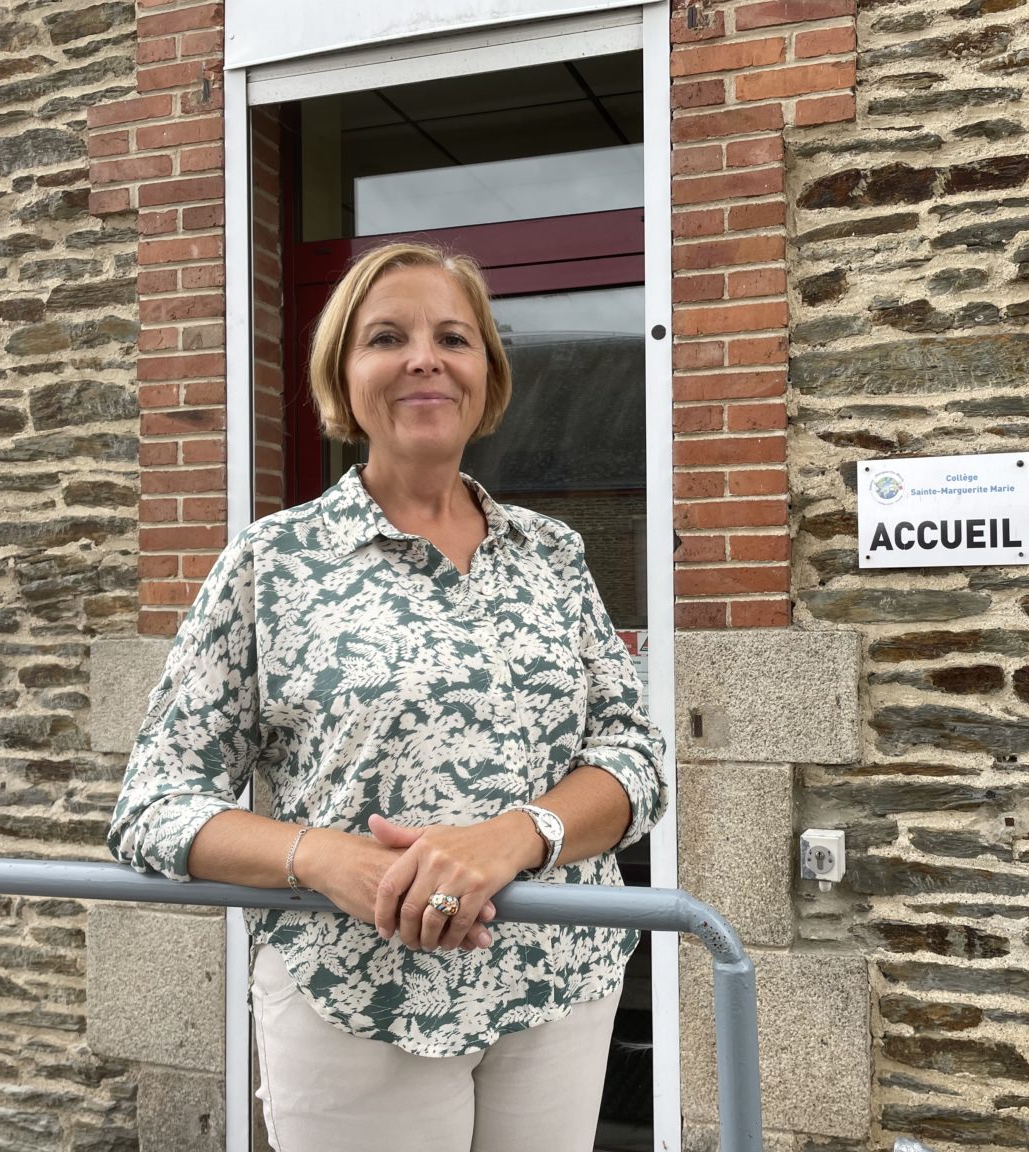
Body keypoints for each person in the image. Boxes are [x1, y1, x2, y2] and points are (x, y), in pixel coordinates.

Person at [107, 240, 667, 1152]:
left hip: (557, 976)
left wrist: (511, 837)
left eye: (454, 337)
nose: (424, 358)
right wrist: (326, 860)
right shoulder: (271, 563)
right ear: (344, 375)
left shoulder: (553, 555)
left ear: (486, 373)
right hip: (351, 994)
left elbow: (635, 755)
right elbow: (154, 805)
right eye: (386, 337)